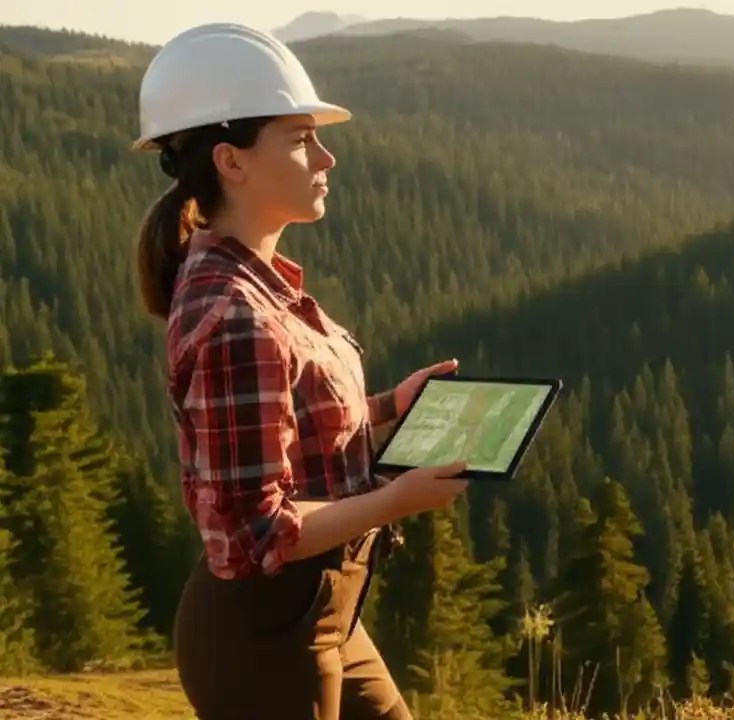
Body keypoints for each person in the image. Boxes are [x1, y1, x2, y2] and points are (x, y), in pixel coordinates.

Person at [130, 22, 468, 719]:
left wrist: (384, 408)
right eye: (299, 138)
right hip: (266, 634)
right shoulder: (234, 315)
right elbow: (252, 536)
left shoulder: (261, 288)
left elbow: (279, 421)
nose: (327, 157)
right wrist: (395, 501)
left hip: (323, 611)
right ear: (232, 160)